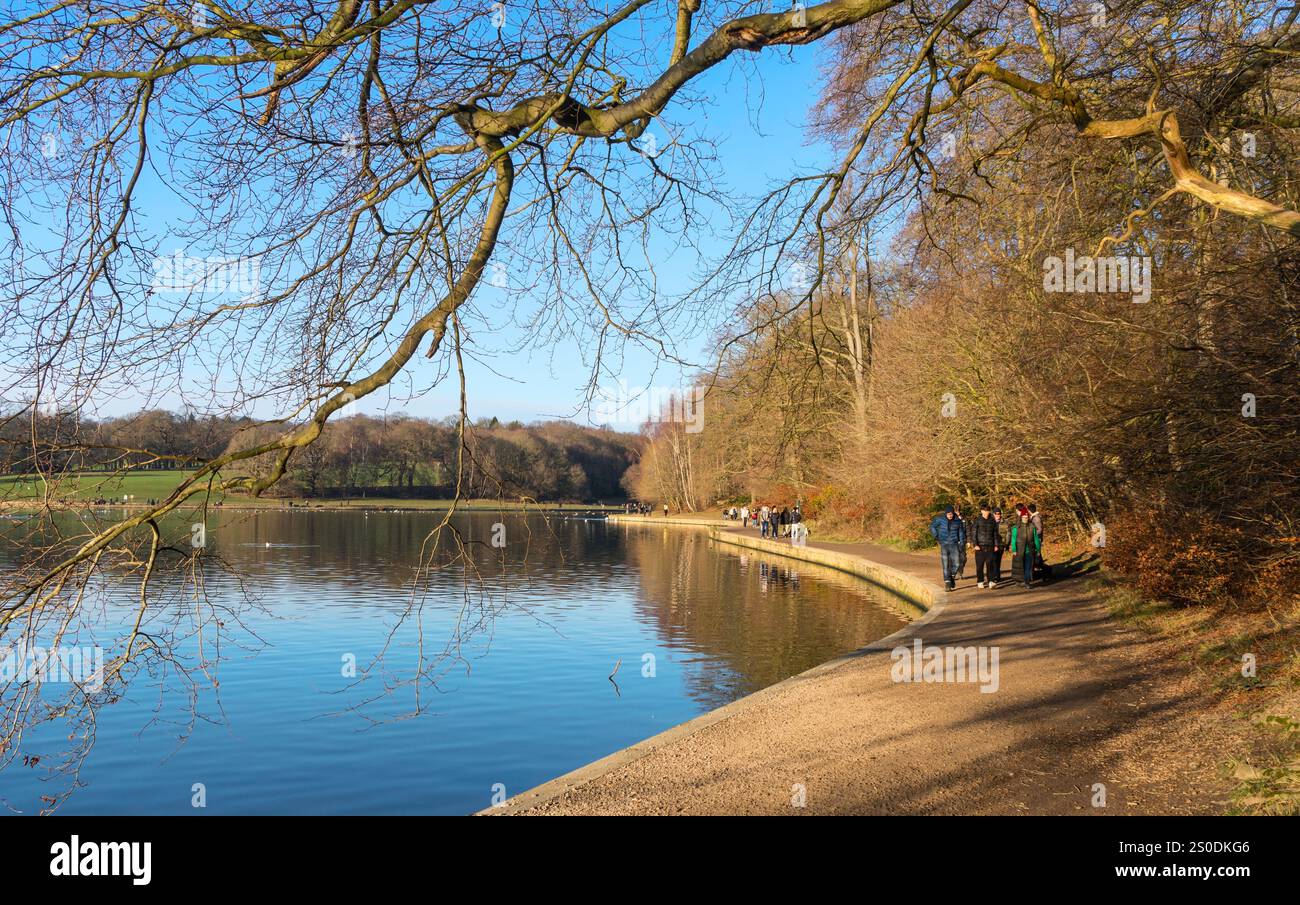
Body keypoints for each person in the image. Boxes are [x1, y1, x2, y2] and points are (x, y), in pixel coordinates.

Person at [929, 504, 966, 591]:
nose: (950, 516)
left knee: (957, 564)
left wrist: (961, 542)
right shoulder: (940, 519)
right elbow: (932, 526)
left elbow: (961, 532)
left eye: (951, 514)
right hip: (944, 544)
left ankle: (952, 576)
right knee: (945, 565)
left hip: (954, 544)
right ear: (946, 514)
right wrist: (936, 536)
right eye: (948, 514)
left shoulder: (957, 521)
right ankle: (947, 583)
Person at [970, 503, 1000, 589]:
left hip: (990, 545)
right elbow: (974, 533)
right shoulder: (977, 520)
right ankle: (980, 581)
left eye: (988, 510)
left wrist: (996, 545)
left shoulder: (992, 520)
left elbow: (995, 534)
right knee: (980, 565)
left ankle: (991, 581)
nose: (987, 512)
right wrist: (975, 544)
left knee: (990, 564)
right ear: (982, 511)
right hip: (980, 546)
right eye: (985, 510)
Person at [1009, 510, 1042, 588]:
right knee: (1019, 567)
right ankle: (1020, 581)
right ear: (1021, 517)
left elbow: (1036, 539)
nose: (1025, 518)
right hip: (1019, 550)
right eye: (1024, 517)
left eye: (1027, 517)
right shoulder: (1016, 528)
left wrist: (1038, 549)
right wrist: (1014, 549)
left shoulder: (1032, 527)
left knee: (1028, 567)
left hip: (1029, 551)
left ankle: (1027, 582)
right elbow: (1013, 539)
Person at [990, 507, 1008, 585]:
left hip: (1001, 544)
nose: (998, 515)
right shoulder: (990, 522)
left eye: (999, 513)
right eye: (996, 514)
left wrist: (1007, 544)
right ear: (993, 514)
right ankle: (995, 576)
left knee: (997, 561)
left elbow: (1008, 534)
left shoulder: (1005, 522)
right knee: (993, 560)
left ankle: (997, 576)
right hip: (992, 544)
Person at [954, 505, 968, 579]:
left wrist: (968, 541)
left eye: (958, 510)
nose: (957, 512)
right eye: (956, 511)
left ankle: (960, 573)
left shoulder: (964, 519)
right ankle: (954, 573)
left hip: (963, 541)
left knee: (963, 558)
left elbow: (968, 530)